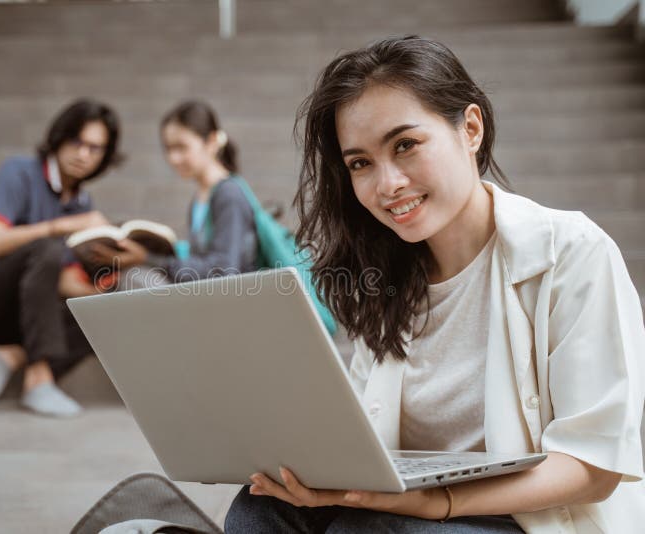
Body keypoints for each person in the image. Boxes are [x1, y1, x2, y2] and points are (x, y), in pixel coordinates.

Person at [225, 36, 645, 533]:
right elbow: (369, 436)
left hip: (523, 518)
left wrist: (439, 502)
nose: (387, 185)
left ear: (470, 128)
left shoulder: (572, 251)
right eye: (360, 163)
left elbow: (593, 467)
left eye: (405, 145)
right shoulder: (383, 275)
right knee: (259, 509)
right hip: (415, 508)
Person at [0, 98, 123, 417]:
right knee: (46, 247)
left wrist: (108, 283)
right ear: (60, 137)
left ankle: (9, 357)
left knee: (106, 308)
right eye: (77, 142)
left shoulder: (80, 201)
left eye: (95, 149)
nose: (84, 155)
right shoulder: (19, 172)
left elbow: (55, 280)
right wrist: (62, 226)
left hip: (21, 318)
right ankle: (38, 379)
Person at [87, 100, 258, 285]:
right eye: (168, 149)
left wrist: (149, 259)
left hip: (231, 299)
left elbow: (224, 270)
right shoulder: (200, 198)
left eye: (181, 147)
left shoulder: (229, 194)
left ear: (211, 142)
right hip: (206, 294)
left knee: (138, 279)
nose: (173, 158)